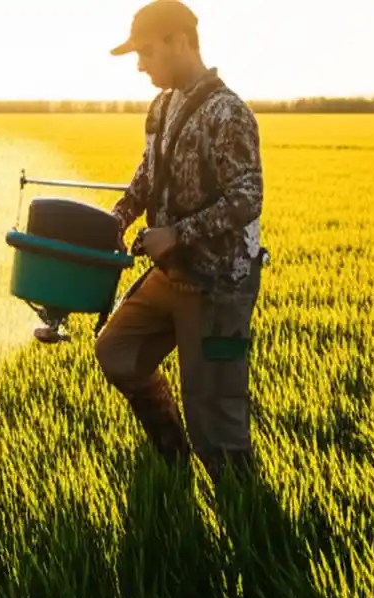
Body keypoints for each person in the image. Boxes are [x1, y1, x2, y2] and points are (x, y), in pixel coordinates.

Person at [97, 0, 268, 482]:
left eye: (147, 52)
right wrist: (121, 215)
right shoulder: (164, 104)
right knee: (117, 351)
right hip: (170, 274)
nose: (141, 64)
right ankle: (174, 463)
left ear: (180, 41)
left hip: (217, 286)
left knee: (213, 416)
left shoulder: (228, 112)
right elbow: (149, 171)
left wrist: (176, 234)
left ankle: (245, 519)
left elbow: (247, 197)